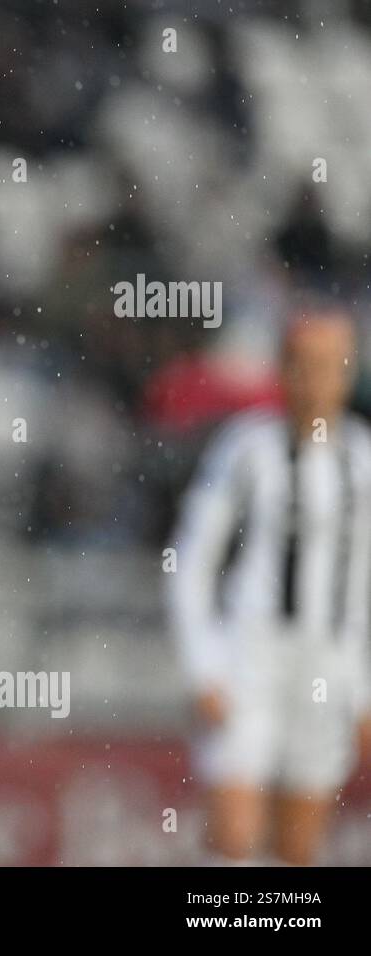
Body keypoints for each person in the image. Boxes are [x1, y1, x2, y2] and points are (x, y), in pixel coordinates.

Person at [167, 299, 371, 865]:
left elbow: (362, 592)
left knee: (299, 850)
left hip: (325, 667)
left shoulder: (362, 461)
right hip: (249, 659)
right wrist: (202, 664)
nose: (315, 379)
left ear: (349, 371)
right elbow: (190, 560)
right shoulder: (246, 449)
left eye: (331, 364)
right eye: (303, 362)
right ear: (282, 367)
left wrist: (362, 692)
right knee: (233, 841)